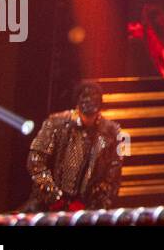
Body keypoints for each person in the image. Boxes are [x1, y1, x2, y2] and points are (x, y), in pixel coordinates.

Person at [23, 81, 123, 212]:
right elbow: (35, 160)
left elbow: (113, 175)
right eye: (85, 96)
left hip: (88, 207)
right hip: (48, 204)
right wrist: (54, 196)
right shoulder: (56, 123)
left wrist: (94, 205)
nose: (89, 100)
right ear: (77, 101)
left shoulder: (112, 131)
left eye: (94, 97)